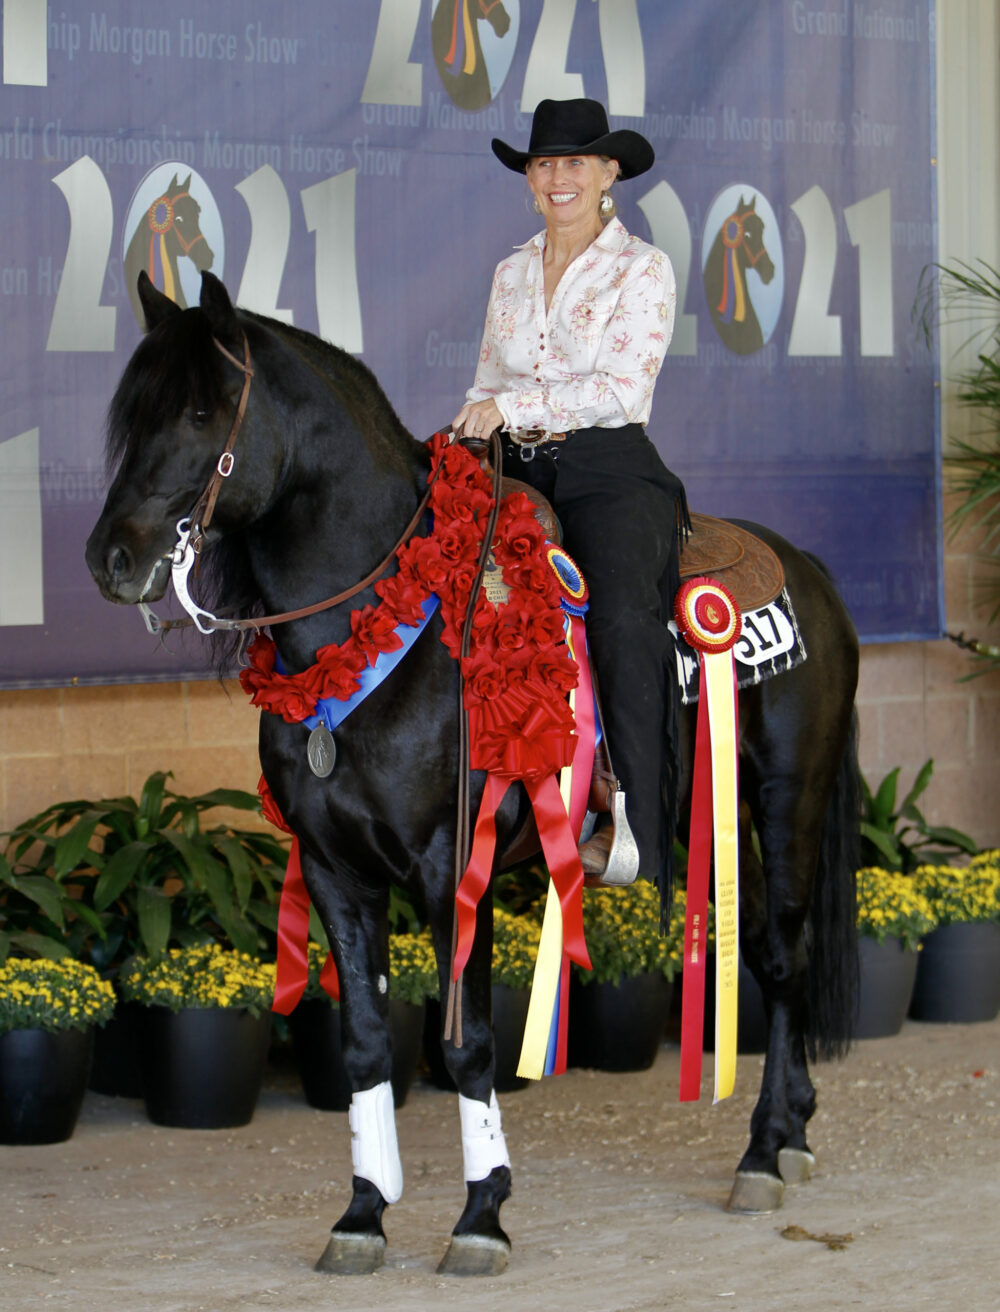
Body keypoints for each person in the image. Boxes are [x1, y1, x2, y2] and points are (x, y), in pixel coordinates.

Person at [453, 98, 688, 888]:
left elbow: (623, 389)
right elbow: (489, 381)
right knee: (441, 583)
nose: (559, 177)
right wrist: (466, 435)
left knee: (621, 613)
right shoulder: (509, 271)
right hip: (516, 468)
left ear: (608, 173)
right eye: (544, 163)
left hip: (609, 467)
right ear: (528, 178)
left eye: (576, 163)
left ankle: (631, 820)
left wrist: (512, 408)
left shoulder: (642, 266)